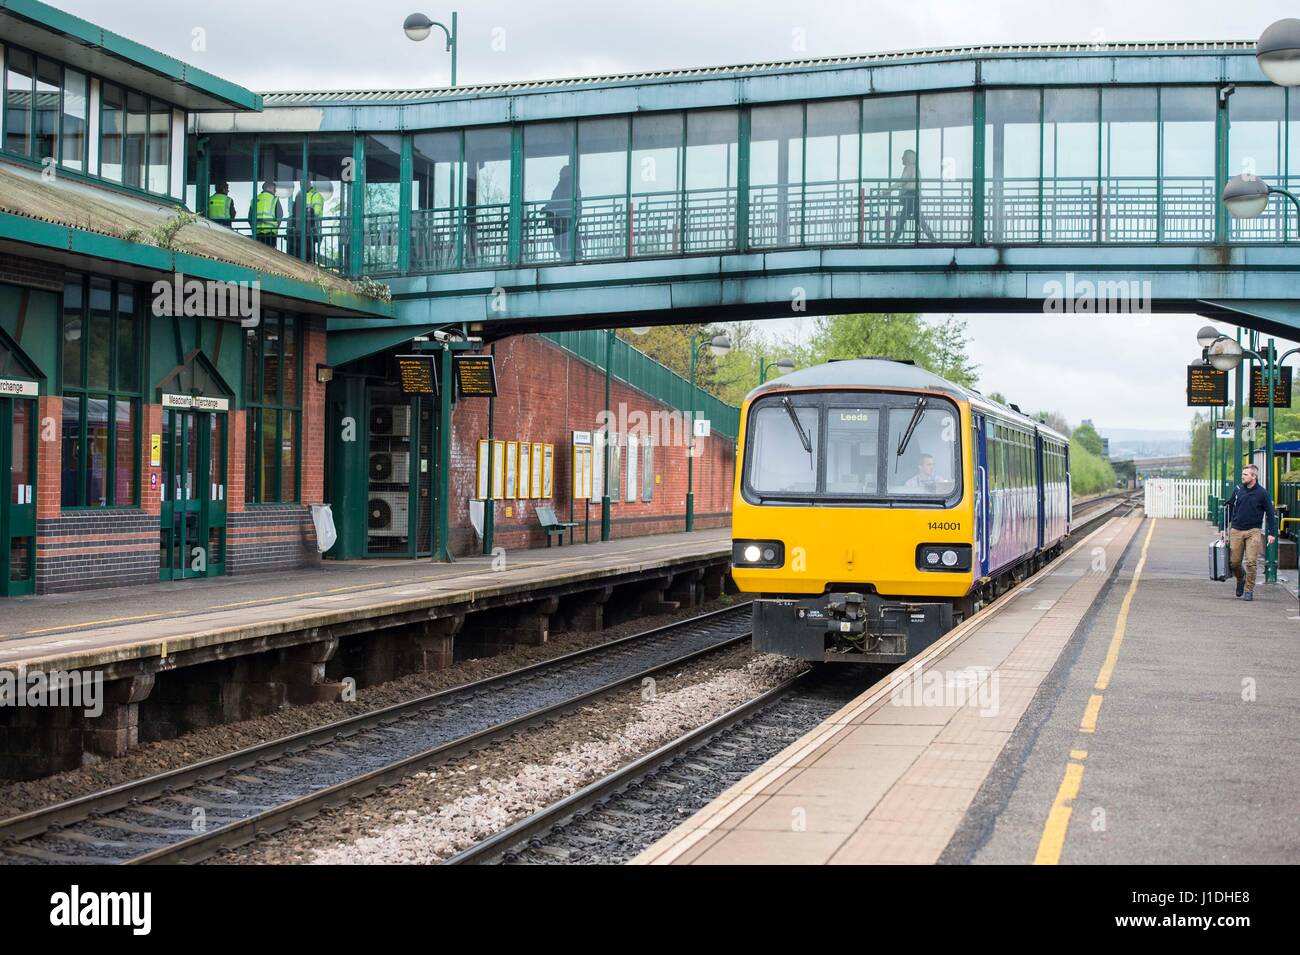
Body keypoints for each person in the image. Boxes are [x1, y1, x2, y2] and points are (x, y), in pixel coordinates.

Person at [1225, 463, 1277, 601]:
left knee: (1251, 562)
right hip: (1236, 529)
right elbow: (1229, 509)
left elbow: (1271, 514)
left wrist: (1272, 533)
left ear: (1253, 476)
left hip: (1253, 531)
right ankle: (1240, 579)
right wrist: (1223, 529)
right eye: (1242, 474)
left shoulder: (1262, 493)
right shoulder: (1237, 491)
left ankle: (1249, 590)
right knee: (1234, 563)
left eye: (1245, 474)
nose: (1242, 477)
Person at [889, 149, 936, 243]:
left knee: (902, 220)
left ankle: (893, 242)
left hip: (910, 197)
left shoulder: (909, 167)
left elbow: (901, 182)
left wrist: (888, 189)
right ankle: (933, 240)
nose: (902, 158)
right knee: (919, 219)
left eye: (904, 156)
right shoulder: (916, 168)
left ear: (908, 158)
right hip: (915, 196)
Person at [544, 164, 582, 259]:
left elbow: (557, 201)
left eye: (561, 173)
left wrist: (548, 209)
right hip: (566, 219)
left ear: (566, 174)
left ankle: (567, 257)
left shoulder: (564, 186)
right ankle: (569, 256)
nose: (560, 175)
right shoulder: (572, 186)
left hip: (562, 220)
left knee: (562, 242)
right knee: (564, 242)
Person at [253, 181, 282, 248]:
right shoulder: (274, 199)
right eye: (274, 188)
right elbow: (280, 215)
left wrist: (254, 228)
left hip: (258, 233)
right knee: (270, 254)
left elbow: (250, 217)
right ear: (270, 187)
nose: (275, 190)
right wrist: (276, 228)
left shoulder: (255, 199)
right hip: (270, 233)